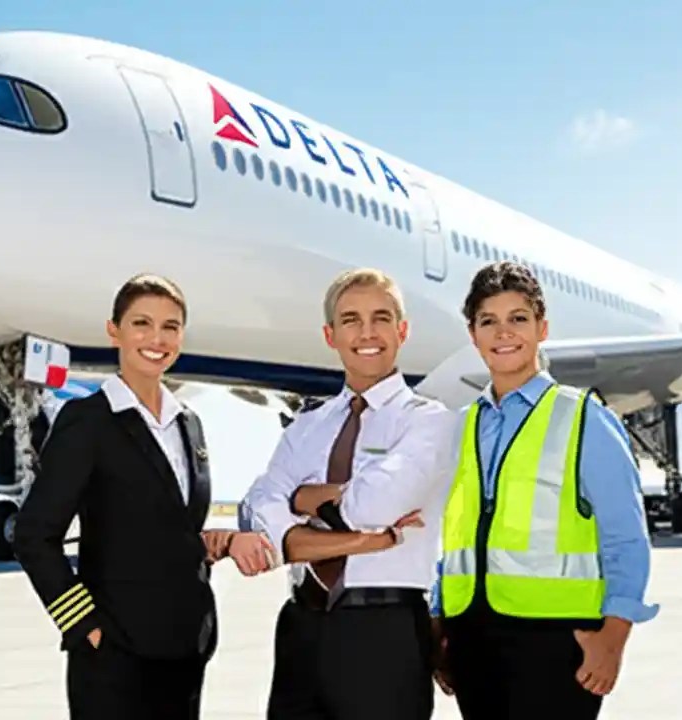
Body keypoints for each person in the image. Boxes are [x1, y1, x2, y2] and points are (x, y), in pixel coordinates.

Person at [12, 273, 275, 720]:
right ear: (114, 330)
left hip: (185, 651)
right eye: (142, 324)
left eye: (170, 327)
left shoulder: (188, 425)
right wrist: (82, 625)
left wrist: (225, 542)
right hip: (114, 659)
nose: (157, 339)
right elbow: (34, 535)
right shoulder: (87, 421)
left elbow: (172, 526)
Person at [430, 261, 658, 720]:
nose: (503, 333)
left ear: (542, 328)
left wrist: (612, 640)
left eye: (518, 318)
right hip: (471, 639)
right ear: (473, 336)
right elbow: (453, 533)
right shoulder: (460, 427)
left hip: (558, 645)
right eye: (488, 322)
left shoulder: (584, 419)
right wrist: (439, 625)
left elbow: (626, 538)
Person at [239, 267, 457, 720]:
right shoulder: (308, 424)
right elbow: (258, 508)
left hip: (385, 632)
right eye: (350, 319)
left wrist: (300, 499)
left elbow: (373, 506)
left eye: (381, 317)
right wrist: (362, 539)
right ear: (330, 334)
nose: (367, 332)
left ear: (402, 330)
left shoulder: (430, 421)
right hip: (301, 628)